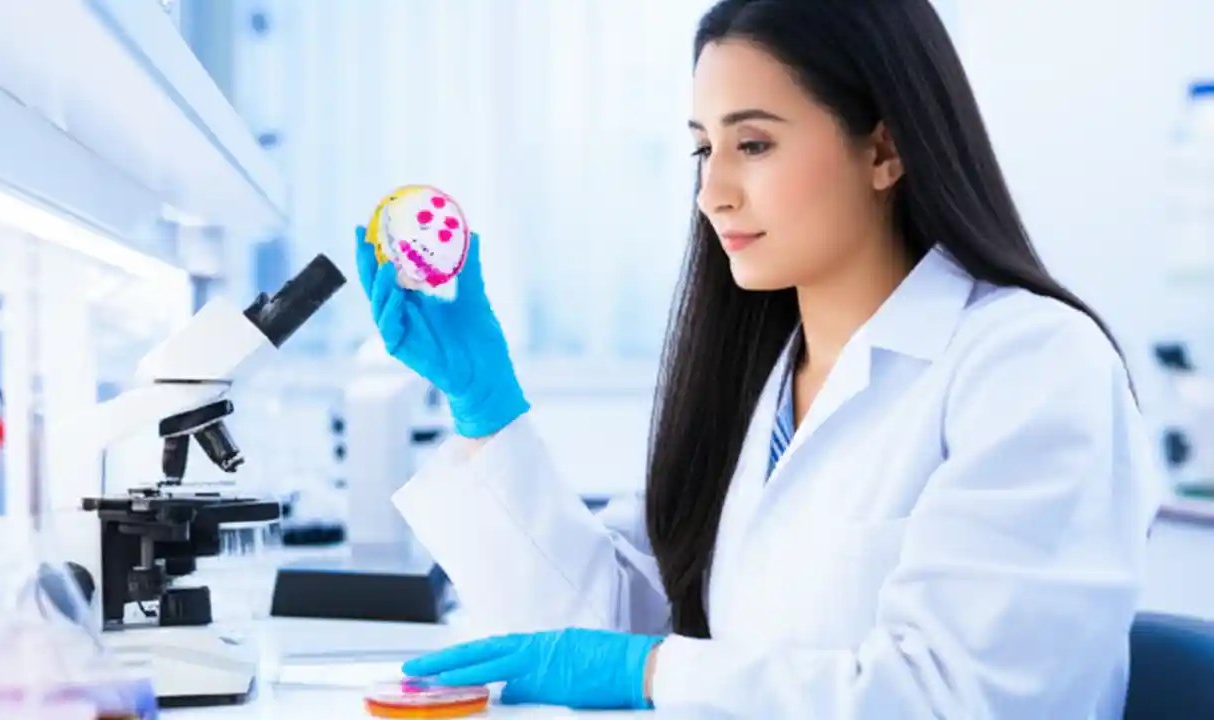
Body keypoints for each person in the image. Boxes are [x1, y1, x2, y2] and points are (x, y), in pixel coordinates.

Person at [354, 0, 1160, 716]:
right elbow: (599, 632)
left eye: (755, 143)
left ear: (884, 149)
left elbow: (962, 700)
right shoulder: (755, 383)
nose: (713, 192)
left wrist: (654, 671)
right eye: (705, 149)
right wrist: (488, 411)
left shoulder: (1031, 365)